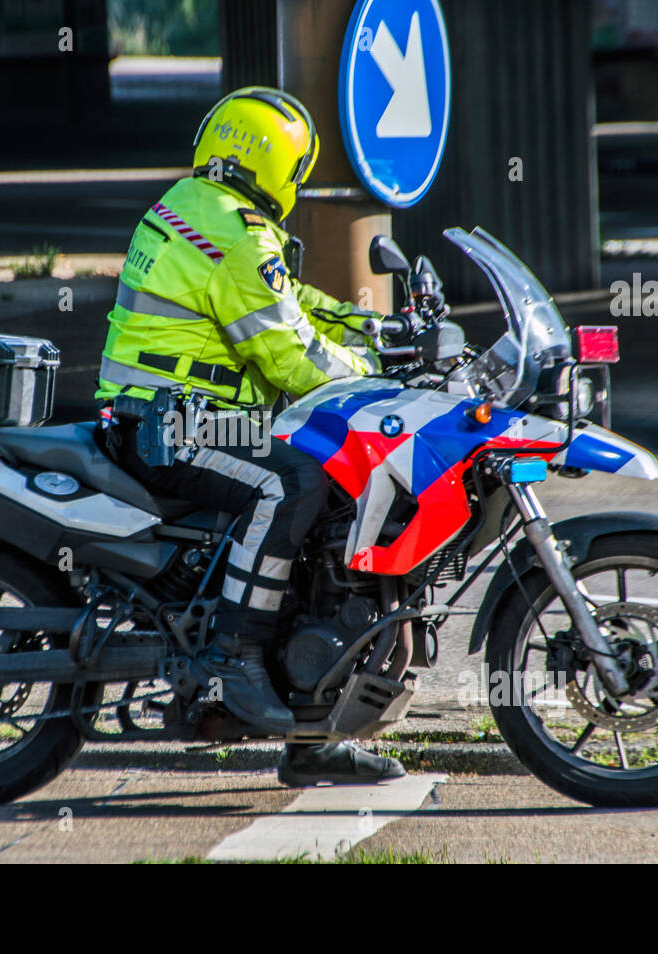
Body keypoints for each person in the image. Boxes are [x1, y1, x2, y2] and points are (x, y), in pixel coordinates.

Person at [95, 86, 404, 786]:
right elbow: (289, 356)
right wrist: (373, 372)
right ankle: (231, 657)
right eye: (295, 170)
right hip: (173, 424)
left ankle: (314, 731)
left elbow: (288, 304)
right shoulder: (237, 233)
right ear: (273, 163)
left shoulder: (198, 207)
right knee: (291, 479)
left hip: (162, 417)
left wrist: (374, 326)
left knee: (326, 508)